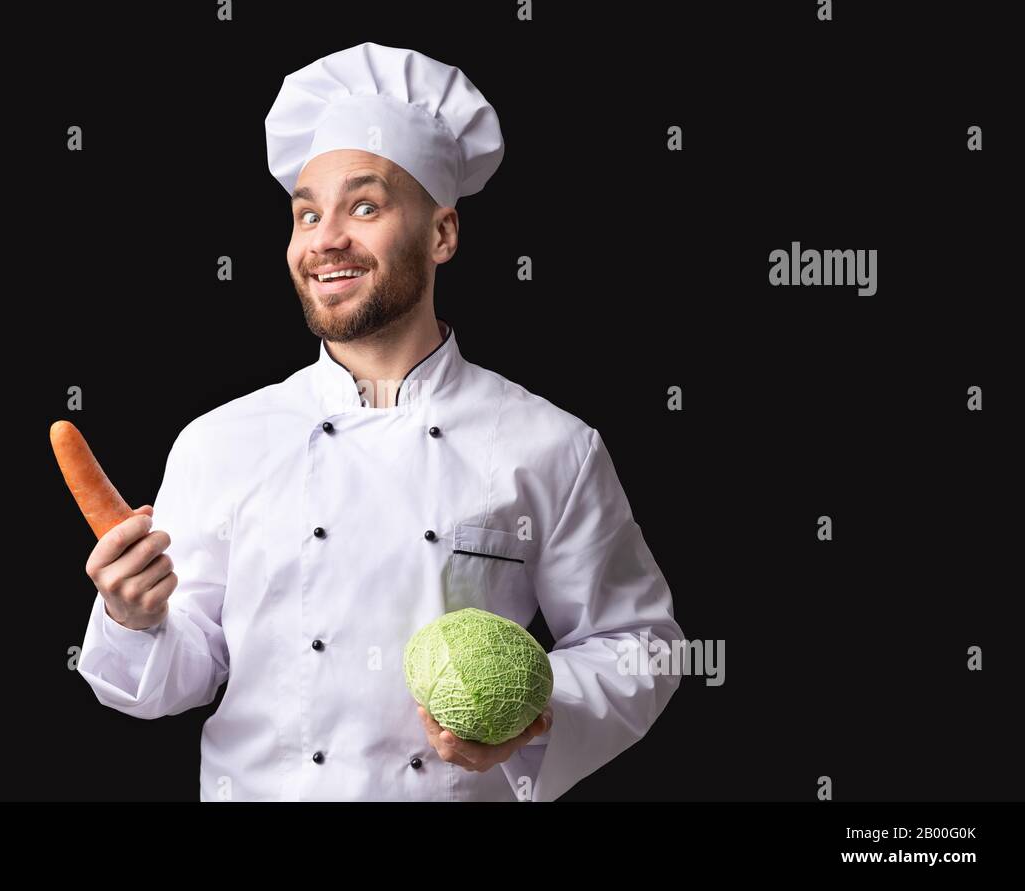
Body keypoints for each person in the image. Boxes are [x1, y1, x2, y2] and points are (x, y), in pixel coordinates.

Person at [76, 42, 684, 802]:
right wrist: (133, 616)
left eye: (364, 206)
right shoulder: (219, 442)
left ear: (442, 234)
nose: (325, 238)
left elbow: (641, 647)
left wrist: (530, 711)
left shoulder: (549, 444)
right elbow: (184, 671)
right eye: (307, 214)